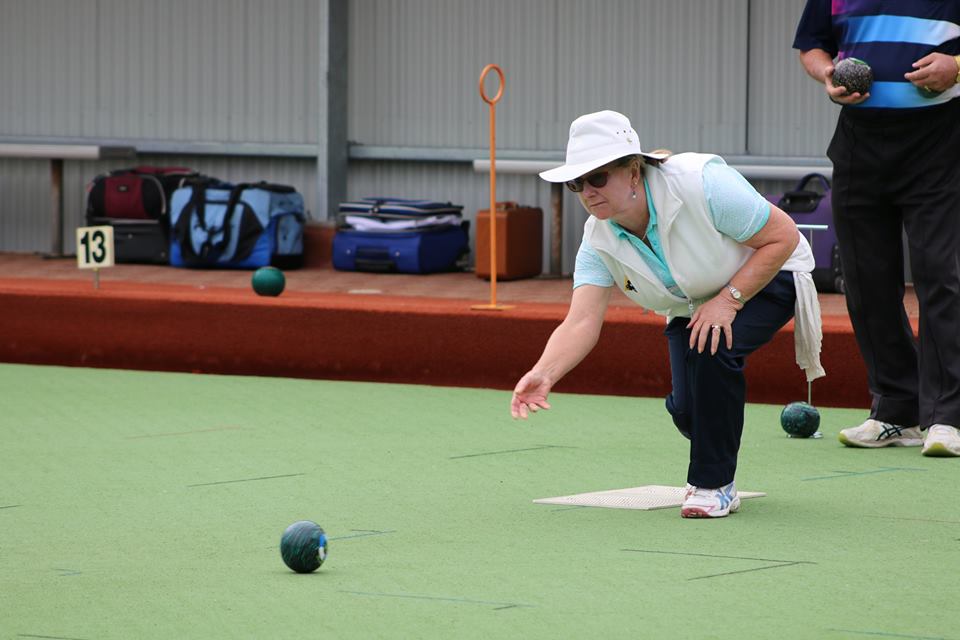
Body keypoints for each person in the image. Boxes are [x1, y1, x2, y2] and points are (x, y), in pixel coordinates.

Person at [510, 110, 823, 518]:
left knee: (713, 348)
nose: (587, 191)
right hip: (692, 301)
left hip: (769, 273)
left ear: (634, 171)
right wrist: (545, 372)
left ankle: (715, 486)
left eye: (598, 177)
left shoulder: (702, 183)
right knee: (687, 410)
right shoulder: (597, 240)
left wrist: (728, 300)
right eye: (576, 183)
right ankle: (712, 452)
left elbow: (783, 237)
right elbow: (582, 320)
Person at [794, 1, 960, 457]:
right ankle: (896, 408)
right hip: (859, 140)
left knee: (939, 274)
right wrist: (828, 73)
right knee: (866, 280)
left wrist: (957, 66)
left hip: (940, 139)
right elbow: (811, 44)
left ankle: (949, 417)